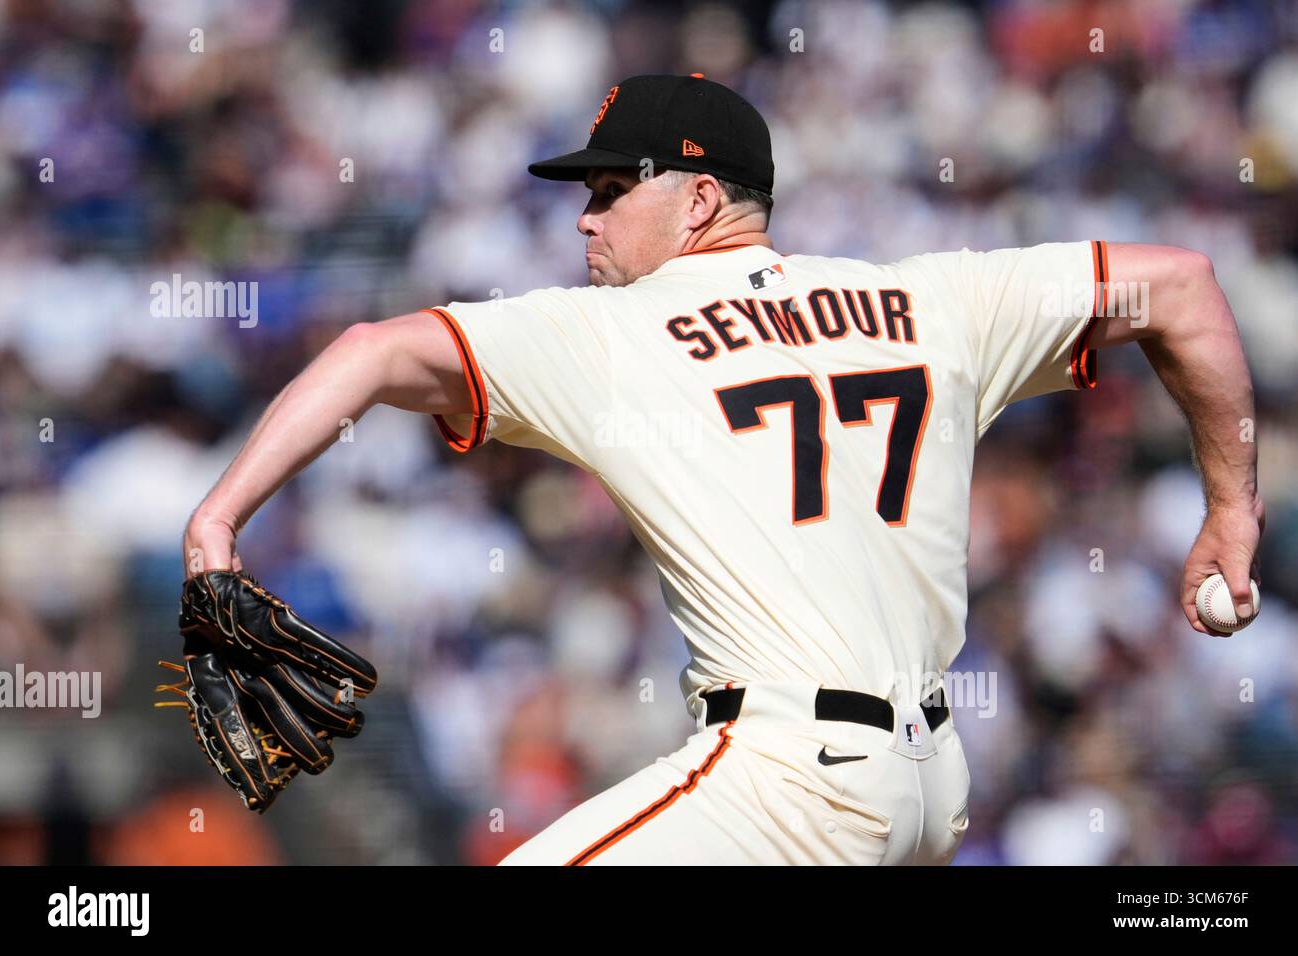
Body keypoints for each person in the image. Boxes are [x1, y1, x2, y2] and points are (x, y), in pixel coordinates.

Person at [183, 74, 1264, 865]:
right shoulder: (934, 298)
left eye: (610, 188)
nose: (584, 215)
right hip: (932, 786)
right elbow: (1180, 285)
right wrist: (1231, 508)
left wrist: (218, 522)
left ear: (697, 200)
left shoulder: (614, 332)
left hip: (790, 779)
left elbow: (369, 353)